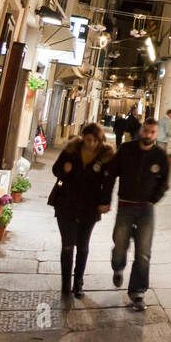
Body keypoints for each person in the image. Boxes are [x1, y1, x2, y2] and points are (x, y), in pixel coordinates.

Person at [108, 117, 170, 311]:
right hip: (125, 205)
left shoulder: (160, 155)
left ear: (156, 134)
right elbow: (111, 173)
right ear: (141, 130)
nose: (148, 135)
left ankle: (138, 292)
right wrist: (105, 199)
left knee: (143, 252)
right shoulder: (126, 150)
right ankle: (118, 267)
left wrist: (154, 199)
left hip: (146, 209)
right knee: (120, 244)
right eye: (146, 131)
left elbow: (164, 181)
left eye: (152, 132)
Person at [50, 123, 114, 299]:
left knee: (83, 246)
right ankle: (65, 285)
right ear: (83, 138)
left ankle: (78, 284)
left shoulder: (106, 156)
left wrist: (105, 202)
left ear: (100, 140)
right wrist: (64, 169)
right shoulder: (71, 150)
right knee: (67, 245)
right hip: (66, 203)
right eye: (88, 140)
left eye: (95, 141)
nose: (91, 144)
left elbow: (108, 183)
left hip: (89, 206)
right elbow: (56, 169)